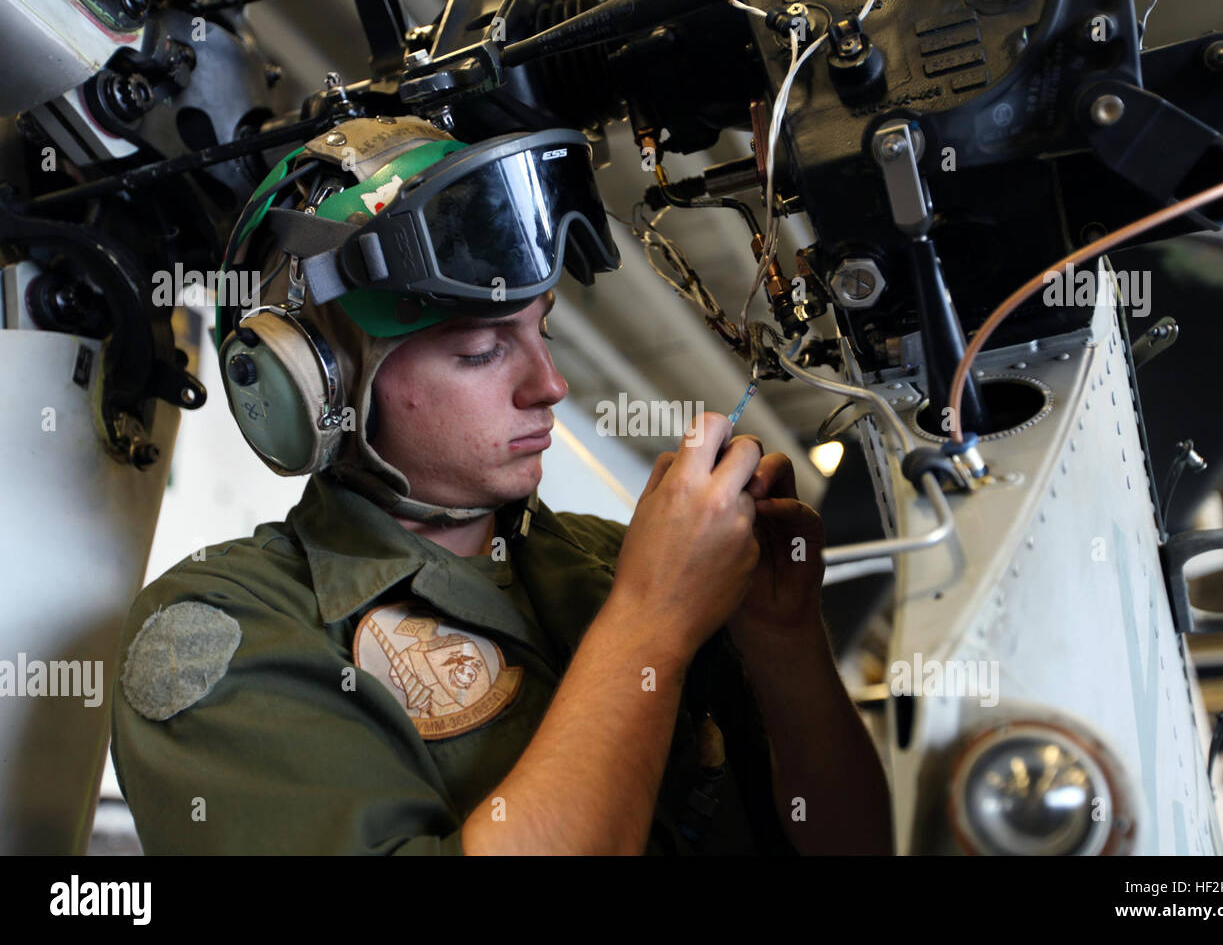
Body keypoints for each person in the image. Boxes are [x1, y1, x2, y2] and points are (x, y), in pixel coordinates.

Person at [109, 116, 892, 855]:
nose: (548, 384)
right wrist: (652, 622)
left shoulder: (613, 562)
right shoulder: (223, 630)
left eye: (540, 329)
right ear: (315, 384)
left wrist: (784, 642)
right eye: (483, 349)